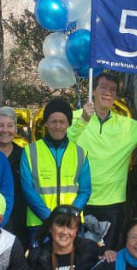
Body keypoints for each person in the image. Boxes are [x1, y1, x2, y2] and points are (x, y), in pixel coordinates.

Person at [69, 70, 137, 249]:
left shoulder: (126, 125)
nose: (108, 93)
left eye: (113, 90)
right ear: (93, 91)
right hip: (78, 199)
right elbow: (60, 143)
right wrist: (83, 119)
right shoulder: (75, 117)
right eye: (103, 88)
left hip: (112, 203)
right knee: (78, 254)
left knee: (108, 255)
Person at [19, 99, 91, 243]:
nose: (57, 126)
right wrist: (50, 218)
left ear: (69, 124)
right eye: (53, 121)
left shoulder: (80, 153)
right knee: (41, 264)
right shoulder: (30, 151)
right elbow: (28, 189)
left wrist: (69, 216)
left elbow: (85, 190)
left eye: (62, 122)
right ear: (46, 122)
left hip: (71, 223)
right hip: (40, 223)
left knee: (71, 265)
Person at [0, 106, 28, 236]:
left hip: (18, 225)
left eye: (10, 126)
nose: (5, 130)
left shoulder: (24, 156)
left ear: (16, 129)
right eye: (0, 125)